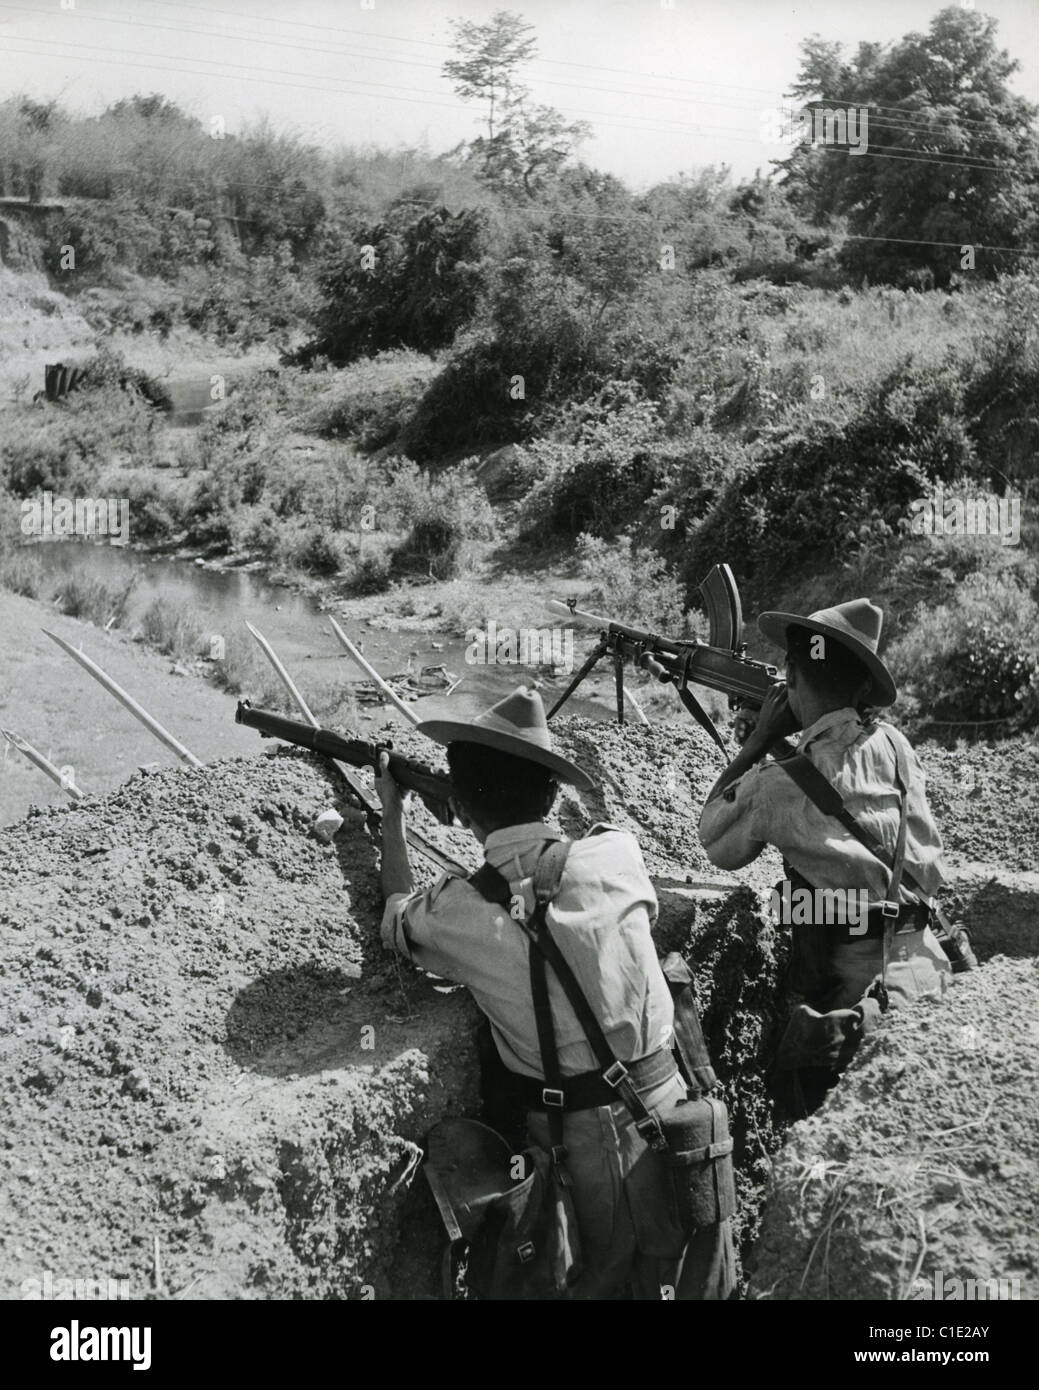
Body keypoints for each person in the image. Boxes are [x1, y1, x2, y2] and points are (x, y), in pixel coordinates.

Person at [376, 685, 735, 1301]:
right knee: (696, 1281)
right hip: (681, 1120)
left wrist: (393, 809)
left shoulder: (457, 913)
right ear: (552, 793)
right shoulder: (618, 852)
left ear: (460, 807)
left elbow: (395, 917)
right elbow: (560, 873)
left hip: (584, 1147)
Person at [698, 599, 951, 1109]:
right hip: (928, 969)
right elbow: (834, 789)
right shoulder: (898, 746)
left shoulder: (775, 788)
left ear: (789, 677)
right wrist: (780, 749)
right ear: (863, 687)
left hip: (856, 1003)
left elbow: (714, 836)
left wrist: (760, 740)